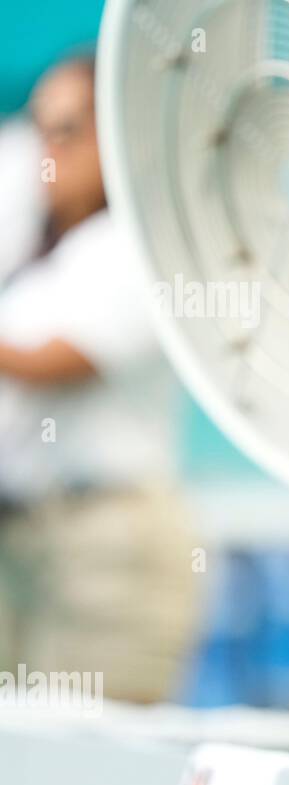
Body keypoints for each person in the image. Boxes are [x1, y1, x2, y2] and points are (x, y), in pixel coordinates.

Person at [0, 57, 200, 703]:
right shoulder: (41, 250)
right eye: (41, 132)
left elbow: (61, 364)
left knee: (88, 755)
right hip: (28, 538)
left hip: (107, 547)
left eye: (69, 131)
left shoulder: (140, 247)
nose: (48, 153)